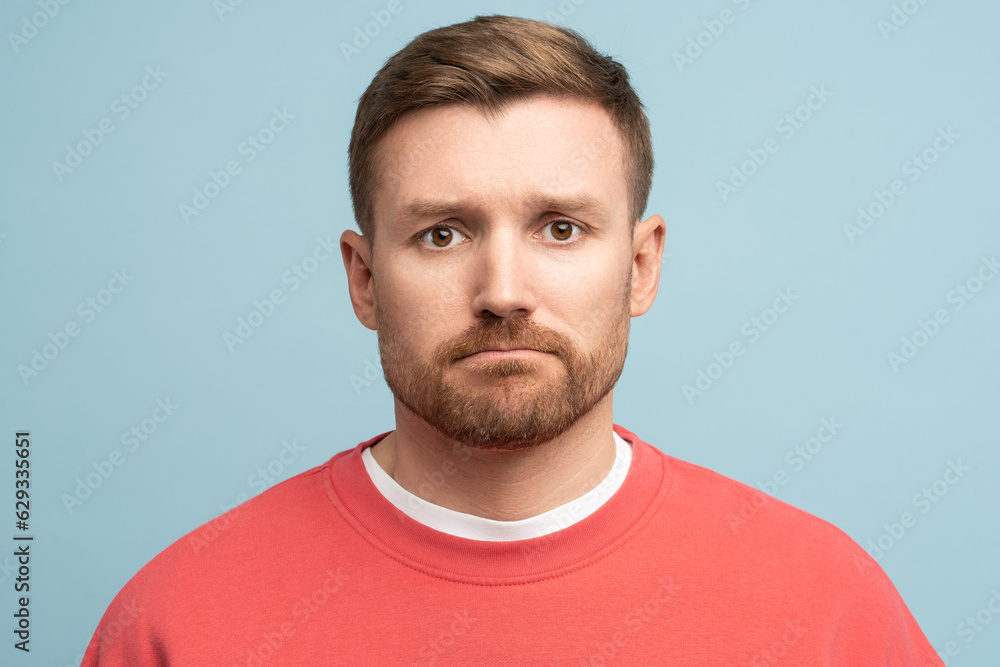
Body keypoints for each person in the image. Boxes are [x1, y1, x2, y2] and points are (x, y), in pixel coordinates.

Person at [82, 14, 945, 665]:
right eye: (443, 234)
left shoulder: (826, 607)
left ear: (641, 267)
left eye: (561, 229)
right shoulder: (179, 622)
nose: (503, 293)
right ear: (365, 280)